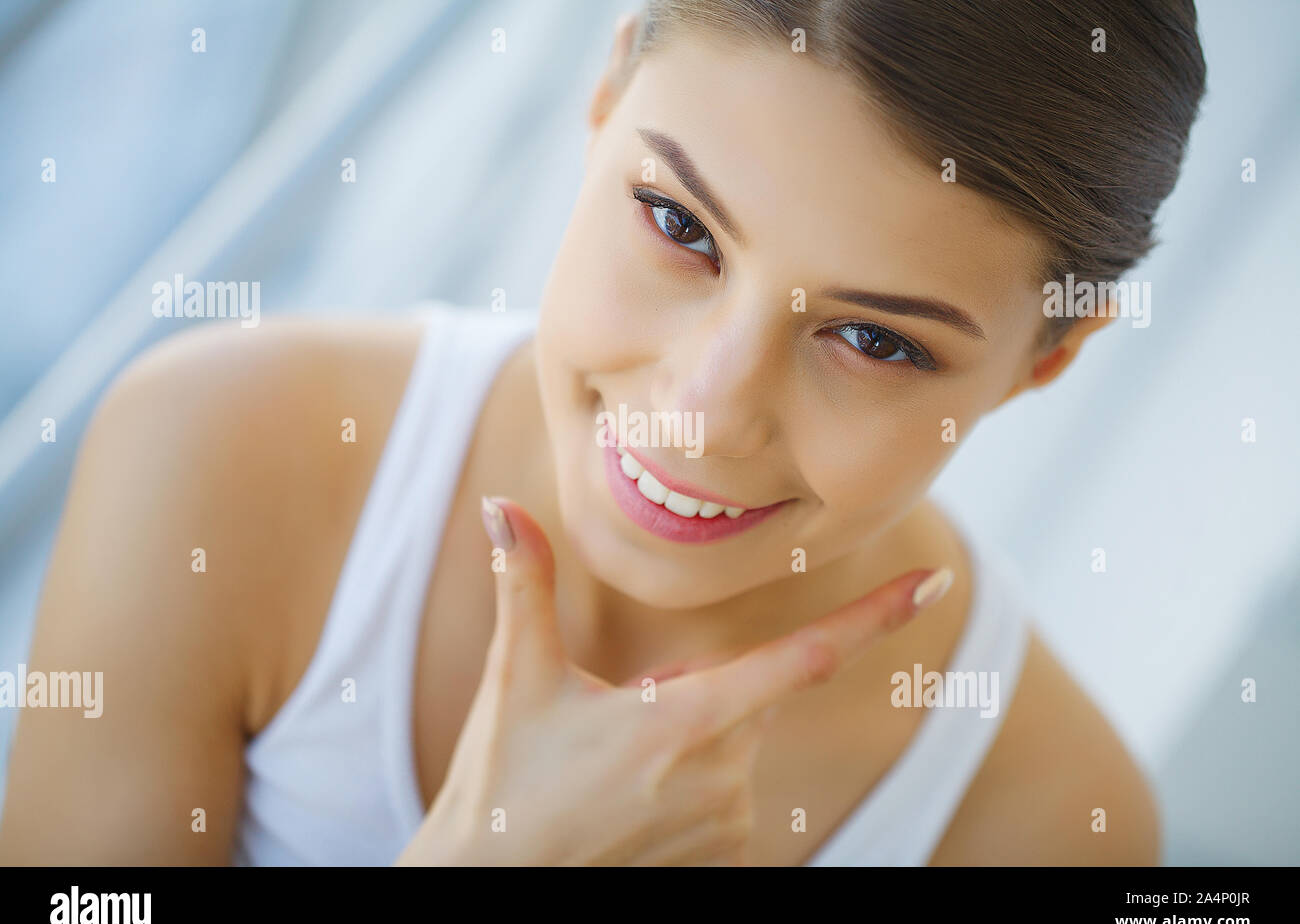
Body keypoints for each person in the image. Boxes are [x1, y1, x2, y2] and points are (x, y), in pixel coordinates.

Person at [0, 0, 1206, 865]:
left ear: (1045, 358)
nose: (704, 408)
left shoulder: (1040, 815)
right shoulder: (217, 449)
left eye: (877, 340)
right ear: (607, 90)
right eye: (678, 225)